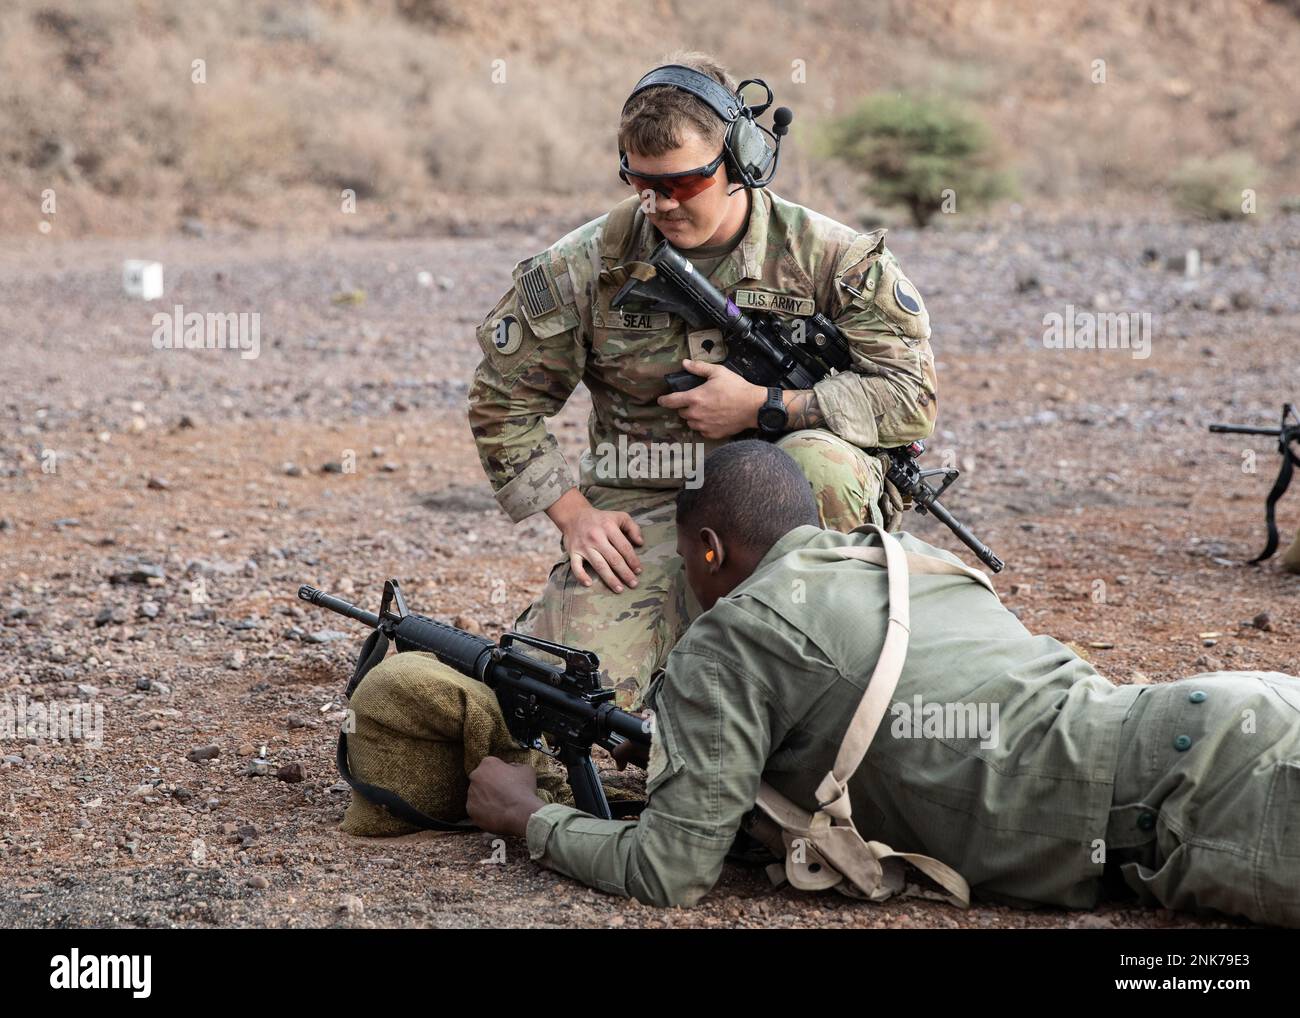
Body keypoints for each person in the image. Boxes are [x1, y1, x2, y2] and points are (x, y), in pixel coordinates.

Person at [466, 441, 1300, 927]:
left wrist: (527, 817)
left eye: (685, 560)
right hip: (1232, 713)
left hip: (1202, 796)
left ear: (709, 550)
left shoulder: (731, 638)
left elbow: (671, 872)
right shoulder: (911, 559)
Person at [467, 52, 938, 707]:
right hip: (646, 502)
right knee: (575, 709)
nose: (660, 203)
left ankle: (816, 674)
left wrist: (766, 408)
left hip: (789, 497)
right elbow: (501, 401)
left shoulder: (830, 258)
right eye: (642, 183)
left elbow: (910, 399)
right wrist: (574, 515)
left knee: (819, 473)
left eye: (685, 183)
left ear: (740, 162)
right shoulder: (584, 266)